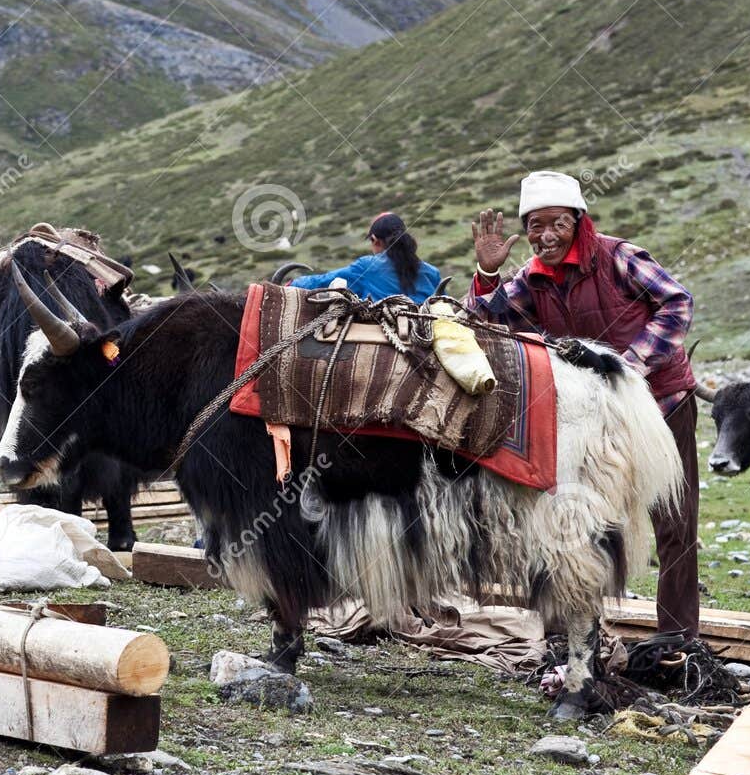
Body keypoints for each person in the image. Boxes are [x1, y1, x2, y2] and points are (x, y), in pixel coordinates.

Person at [467, 170, 700, 638]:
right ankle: (569, 635)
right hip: (586, 417)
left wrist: (629, 367)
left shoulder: (619, 258)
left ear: (578, 220)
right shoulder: (531, 279)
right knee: (572, 516)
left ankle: (677, 636)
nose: (546, 235)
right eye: (535, 225)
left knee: (673, 520)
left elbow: (677, 302)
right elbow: (483, 322)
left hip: (660, 402)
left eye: (556, 223)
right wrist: (488, 273)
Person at [287, 212, 441, 301]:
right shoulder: (432, 272)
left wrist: (291, 284)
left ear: (375, 240)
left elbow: (324, 281)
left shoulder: (367, 266)